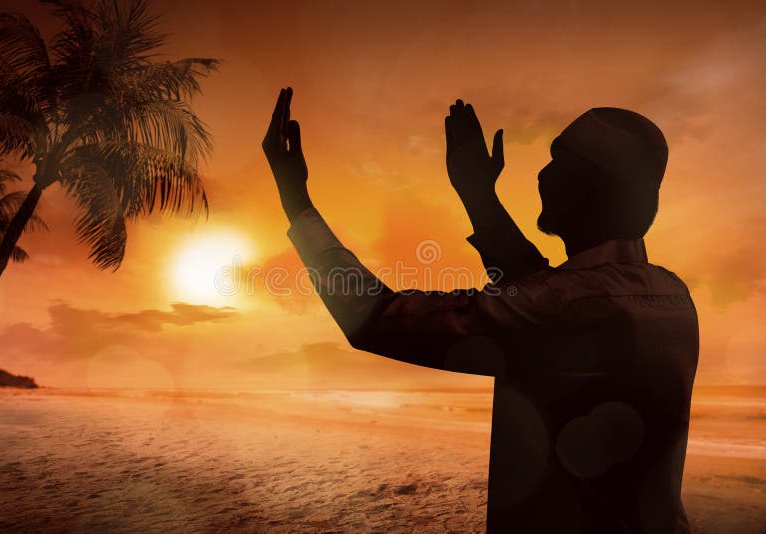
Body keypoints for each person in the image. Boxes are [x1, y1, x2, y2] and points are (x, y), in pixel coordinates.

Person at [262, 87, 698, 533]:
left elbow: (374, 316)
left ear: (585, 185)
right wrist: (476, 193)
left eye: (557, 161)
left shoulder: (566, 307)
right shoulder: (671, 296)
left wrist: (296, 201)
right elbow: (538, 290)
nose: (541, 176)